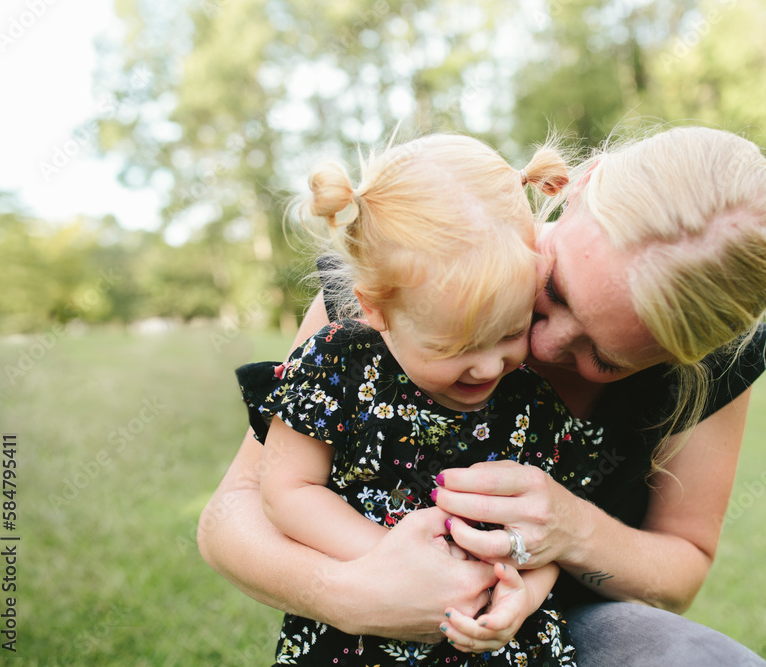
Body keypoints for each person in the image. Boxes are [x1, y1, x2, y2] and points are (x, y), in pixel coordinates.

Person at [199, 125, 766, 666]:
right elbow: (237, 513)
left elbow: (680, 573)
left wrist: (566, 532)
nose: (535, 347)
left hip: (543, 630)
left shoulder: (699, 366)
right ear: (575, 185)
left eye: (606, 357)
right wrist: (357, 595)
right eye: (555, 289)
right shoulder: (396, 285)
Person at [234, 133, 609, 665]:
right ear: (375, 308)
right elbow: (286, 490)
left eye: (509, 332)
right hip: (367, 632)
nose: (487, 366)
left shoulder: (532, 400)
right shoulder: (338, 365)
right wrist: (390, 559)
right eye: (453, 346)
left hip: (495, 643)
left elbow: (549, 535)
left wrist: (523, 597)